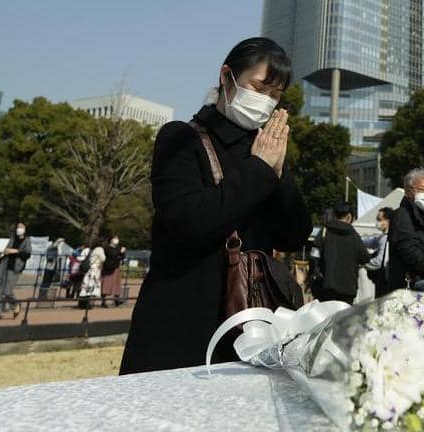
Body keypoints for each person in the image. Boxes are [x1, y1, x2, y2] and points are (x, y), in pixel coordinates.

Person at [120, 37, 312, 375]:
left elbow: (293, 234)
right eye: (259, 87)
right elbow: (188, 222)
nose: (266, 102)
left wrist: (278, 176)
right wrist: (258, 171)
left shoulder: (265, 149)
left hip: (250, 326)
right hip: (181, 324)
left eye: (275, 95)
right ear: (227, 77)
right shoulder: (181, 138)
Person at [384, 168, 424, 297]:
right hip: (411, 288)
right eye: (421, 190)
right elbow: (409, 251)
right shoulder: (402, 215)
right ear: (408, 190)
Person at [313, 203, 370, 304]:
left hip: (325, 287)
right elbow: (365, 257)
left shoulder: (324, 231)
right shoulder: (354, 236)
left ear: (334, 215)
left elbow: (313, 256)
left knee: (327, 318)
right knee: (343, 319)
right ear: (349, 216)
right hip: (347, 289)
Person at [0, 223, 32, 321]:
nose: (18, 229)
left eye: (21, 227)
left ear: (25, 229)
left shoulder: (27, 240)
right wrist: (7, 251)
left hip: (15, 267)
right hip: (4, 264)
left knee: (7, 291)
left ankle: (16, 304)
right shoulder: (12, 238)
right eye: (18, 227)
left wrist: (16, 251)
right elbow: (6, 249)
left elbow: (27, 254)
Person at [365, 207, 394, 296]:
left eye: (379, 219)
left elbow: (380, 262)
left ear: (388, 221)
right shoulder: (382, 237)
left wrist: (363, 263)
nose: (377, 222)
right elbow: (370, 241)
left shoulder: (387, 238)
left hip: (385, 282)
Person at [101, 235, 126, 308]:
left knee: (117, 285)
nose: (116, 240)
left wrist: (122, 253)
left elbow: (121, 257)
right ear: (111, 240)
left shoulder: (118, 248)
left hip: (116, 267)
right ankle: (103, 301)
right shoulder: (107, 248)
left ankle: (117, 300)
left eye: (117, 239)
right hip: (108, 268)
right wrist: (119, 253)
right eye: (115, 238)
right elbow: (113, 255)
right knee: (106, 284)